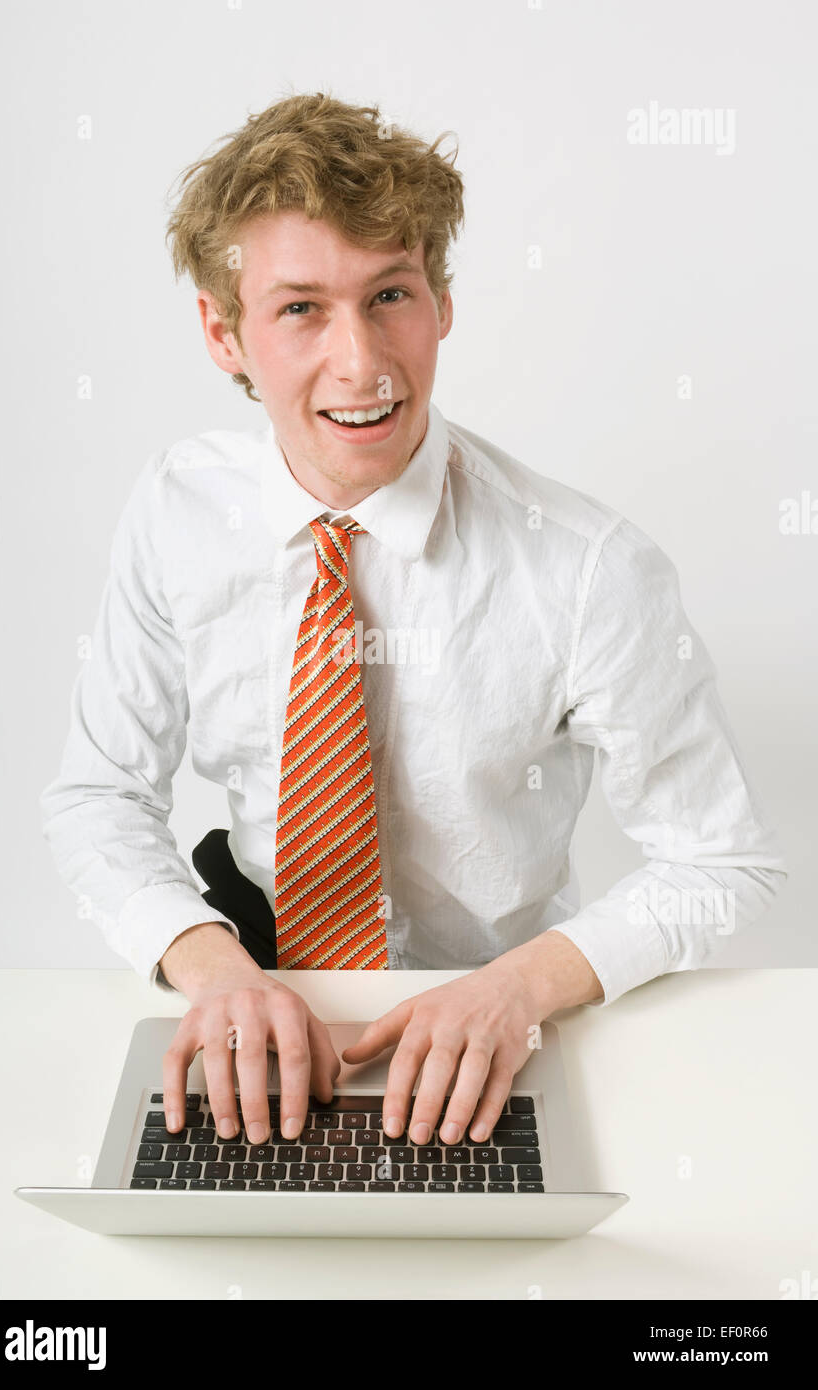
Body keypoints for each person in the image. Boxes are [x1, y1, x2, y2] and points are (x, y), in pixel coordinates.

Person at [39, 91, 787, 1155]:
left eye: (388, 294)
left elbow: (720, 861)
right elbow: (98, 792)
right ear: (223, 332)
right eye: (299, 308)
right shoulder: (174, 511)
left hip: (497, 1034)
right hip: (255, 1006)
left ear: (438, 300)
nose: (361, 363)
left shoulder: (585, 567)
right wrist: (215, 972)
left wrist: (514, 991)